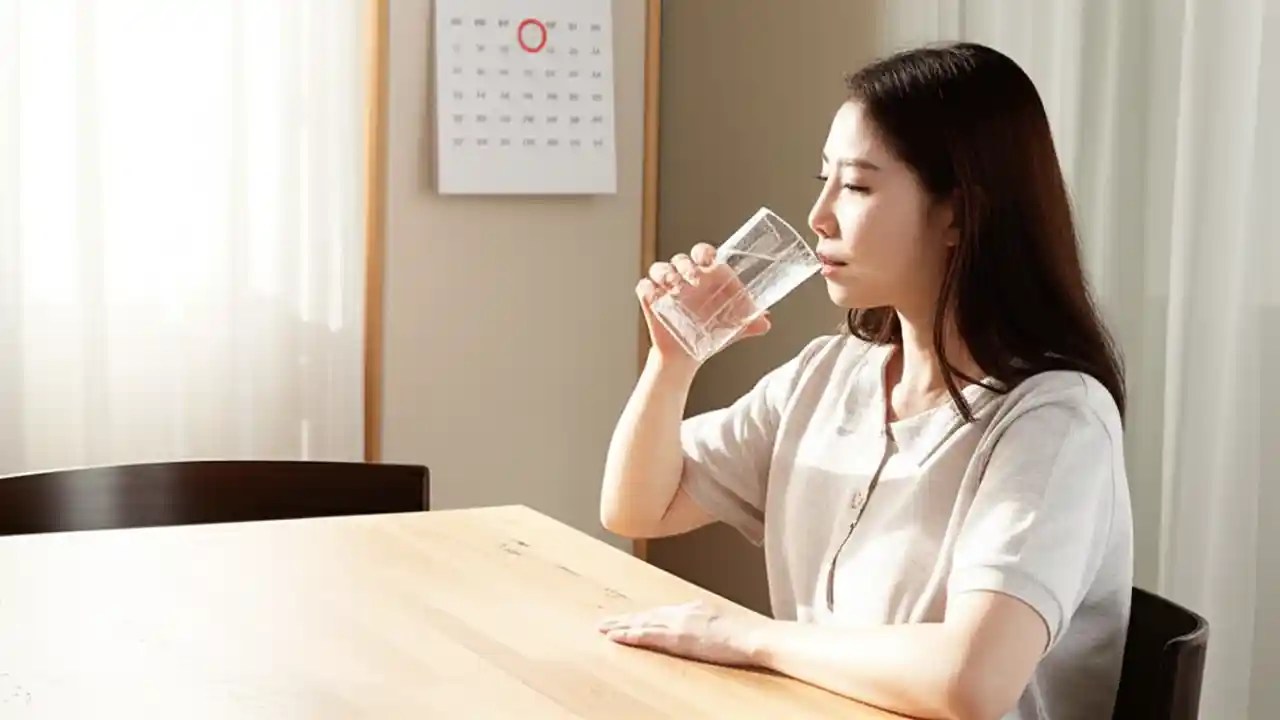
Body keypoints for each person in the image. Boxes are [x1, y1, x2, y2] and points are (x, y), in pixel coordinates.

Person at [597, 42, 1133, 720]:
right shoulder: (829, 375)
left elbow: (971, 682)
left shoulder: (1056, 421)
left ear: (958, 214)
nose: (818, 215)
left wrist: (748, 638)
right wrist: (673, 362)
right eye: (823, 178)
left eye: (854, 186)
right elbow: (639, 508)